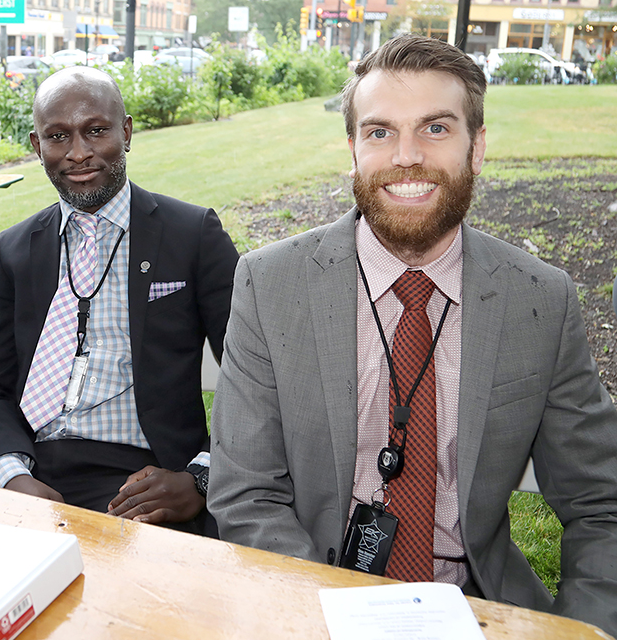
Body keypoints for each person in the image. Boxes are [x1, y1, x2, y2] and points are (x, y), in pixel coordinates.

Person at [208, 33, 617, 635]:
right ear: (352, 150)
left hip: (481, 607)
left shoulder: (540, 298)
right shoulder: (271, 285)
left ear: (477, 148)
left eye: (435, 128)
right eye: (379, 132)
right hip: (313, 600)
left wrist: (586, 628)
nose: (406, 156)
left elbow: (600, 503)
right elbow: (245, 495)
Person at [0, 66, 238, 533]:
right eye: (57, 136)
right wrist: (8, 476)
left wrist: (202, 476)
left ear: (125, 132)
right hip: (30, 468)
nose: (79, 153)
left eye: (95, 131)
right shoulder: (14, 249)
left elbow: (256, 380)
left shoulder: (192, 235)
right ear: (36, 146)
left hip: (142, 478)